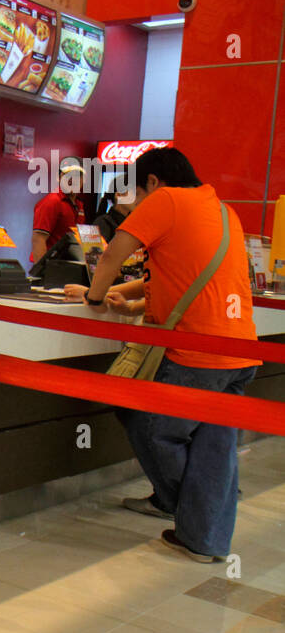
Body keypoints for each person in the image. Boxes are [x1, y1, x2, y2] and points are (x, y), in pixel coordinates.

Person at [80, 147, 259, 562]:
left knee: (150, 426)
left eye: (137, 193)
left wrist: (94, 296)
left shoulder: (167, 201)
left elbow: (112, 254)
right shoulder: (222, 210)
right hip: (240, 350)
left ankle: (199, 520)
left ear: (154, 183)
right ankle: (203, 537)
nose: (137, 203)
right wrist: (127, 298)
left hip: (196, 350)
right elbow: (184, 276)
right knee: (214, 444)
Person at [30, 159, 88, 262]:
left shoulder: (79, 204)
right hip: (52, 267)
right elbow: (39, 239)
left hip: (69, 266)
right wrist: (41, 272)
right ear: (60, 177)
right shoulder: (52, 202)